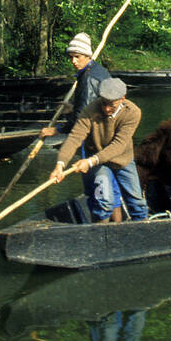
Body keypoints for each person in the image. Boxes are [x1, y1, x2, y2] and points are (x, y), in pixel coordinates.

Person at [40, 32, 124, 221]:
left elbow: (82, 119)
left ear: (88, 56)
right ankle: (118, 225)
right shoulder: (98, 71)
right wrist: (72, 108)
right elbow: (92, 105)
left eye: (77, 57)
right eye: (71, 57)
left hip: (93, 139)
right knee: (111, 185)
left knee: (98, 188)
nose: (73, 61)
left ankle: (100, 231)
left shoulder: (88, 78)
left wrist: (57, 130)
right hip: (108, 136)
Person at [51, 77, 149, 223]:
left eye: (112, 105)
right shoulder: (90, 110)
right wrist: (60, 164)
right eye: (103, 103)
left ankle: (142, 230)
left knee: (137, 202)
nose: (106, 109)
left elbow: (118, 144)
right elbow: (75, 138)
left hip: (122, 159)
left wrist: (90, 162)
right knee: (104, 203)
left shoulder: (133, 112)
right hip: (97, 159)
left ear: (122, 99)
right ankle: (98, 233)